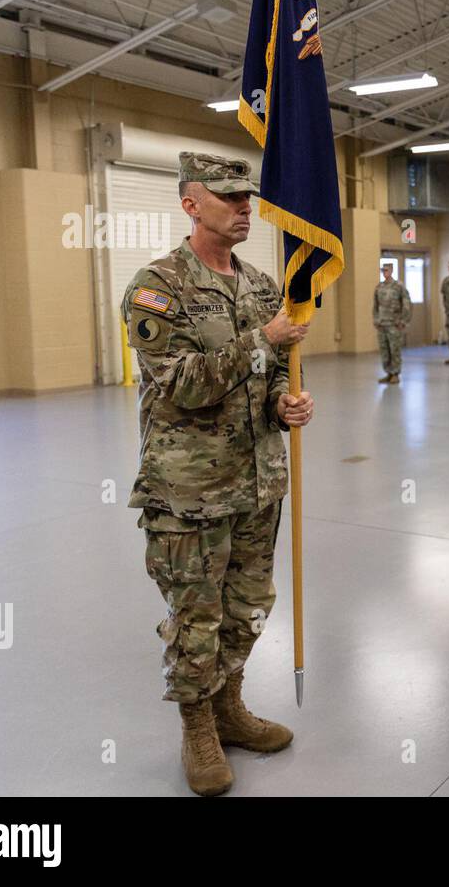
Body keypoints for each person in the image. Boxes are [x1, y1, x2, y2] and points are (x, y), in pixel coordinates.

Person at [122, 152, 312, 796]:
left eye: (247, 198)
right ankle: (197, 727)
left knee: (249, 607)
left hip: (258, 481)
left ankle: (229, 706)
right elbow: (177, 386)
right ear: (190, 203)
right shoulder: (157, 287)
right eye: (228, 197)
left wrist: (286, 401)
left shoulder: (261, 284)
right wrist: (264, 340)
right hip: (190, 491)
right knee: (195, 616)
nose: (243, 208)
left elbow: (268, 379)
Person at [373, 262, 412, 384]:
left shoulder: (398, 286)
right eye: (383, 270)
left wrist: (403, 321)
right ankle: (388, 372)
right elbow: (375, 306)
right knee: (384, 350)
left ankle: (395, 373)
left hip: (394, 324)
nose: (384, 273)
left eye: (387, 270)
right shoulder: (379, 287)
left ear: (391, 271)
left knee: (394, 349)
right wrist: (376, 319)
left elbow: (407, 304)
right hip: (382, 323)